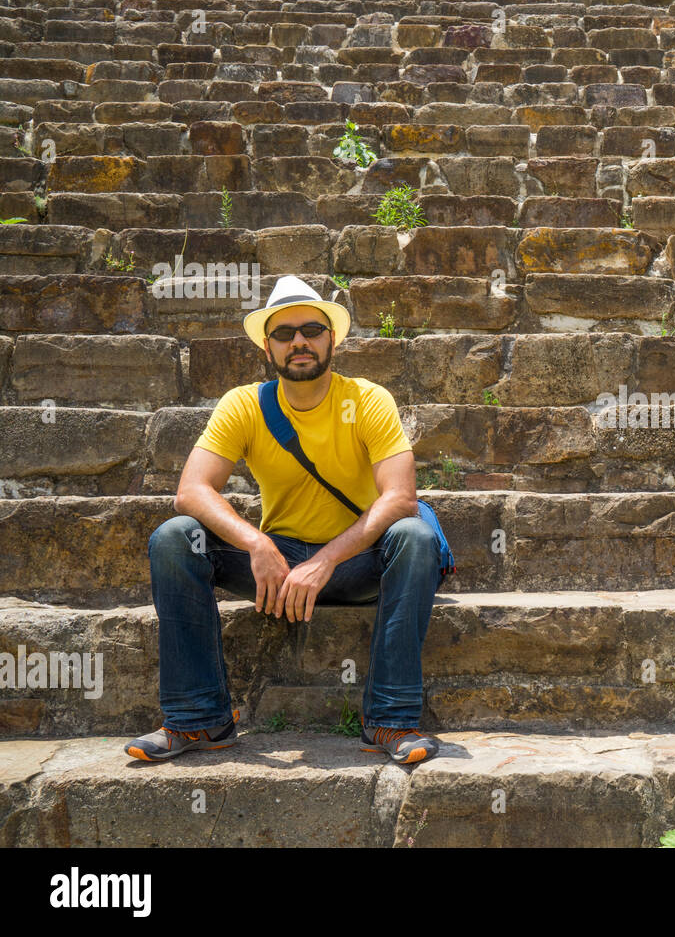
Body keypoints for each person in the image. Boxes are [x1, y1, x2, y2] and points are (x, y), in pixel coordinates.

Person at [126, 275, 440, 764]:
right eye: (284, 333)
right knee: (174, 538)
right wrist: (257, 544)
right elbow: (191, 491)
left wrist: (328, 559)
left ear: (331, 339)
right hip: (279, 565)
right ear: (268, 348)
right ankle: (199, 721)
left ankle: (391, 722)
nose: (299, 341)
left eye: (312, 329)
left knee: (414, 535)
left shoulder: (368, 399)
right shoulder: (244, 404)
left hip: (358, 562)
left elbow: (399, 499)